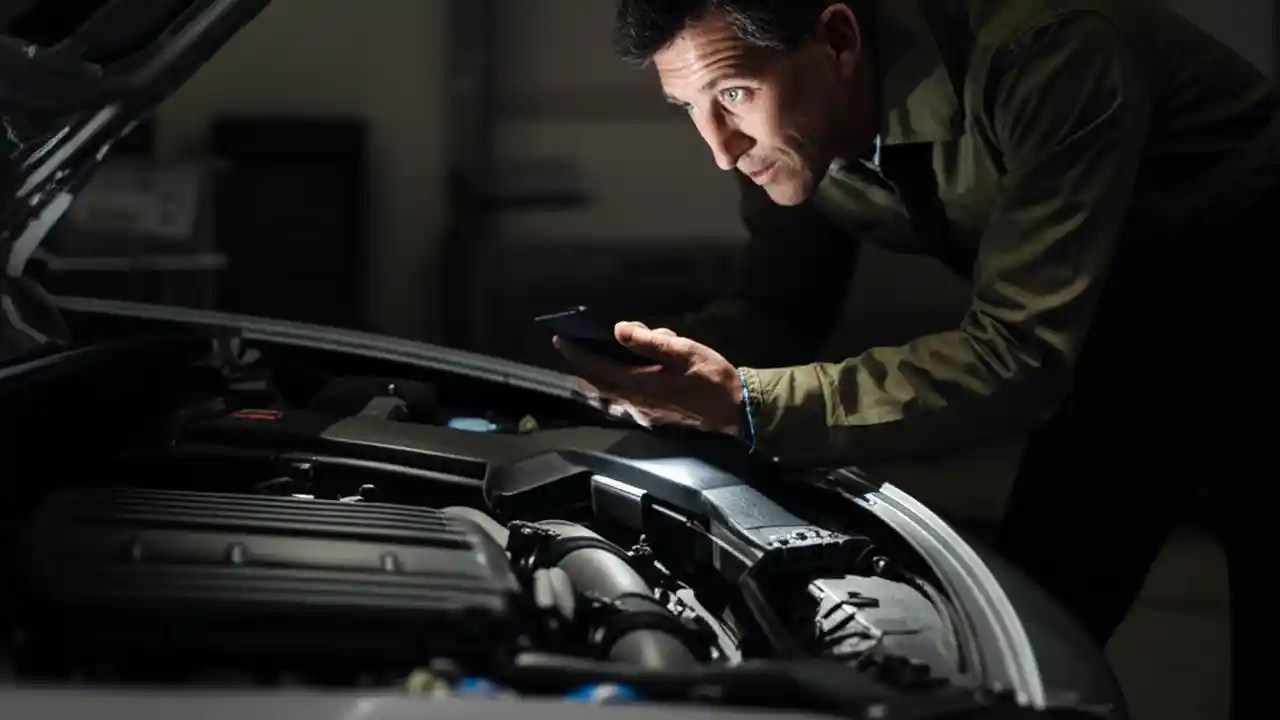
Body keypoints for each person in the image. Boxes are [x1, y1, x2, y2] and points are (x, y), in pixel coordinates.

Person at [552, 0, 1275, 715]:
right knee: (1030, 627)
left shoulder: (1047, 50)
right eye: (687, 106)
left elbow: (1016, 355)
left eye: (735, 94)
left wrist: (746, 401)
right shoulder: (795, 127)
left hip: (1246, 318)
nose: (719, 148)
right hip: (1123, 339)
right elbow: (777, 311)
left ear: (837, 40)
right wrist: (641, 377)